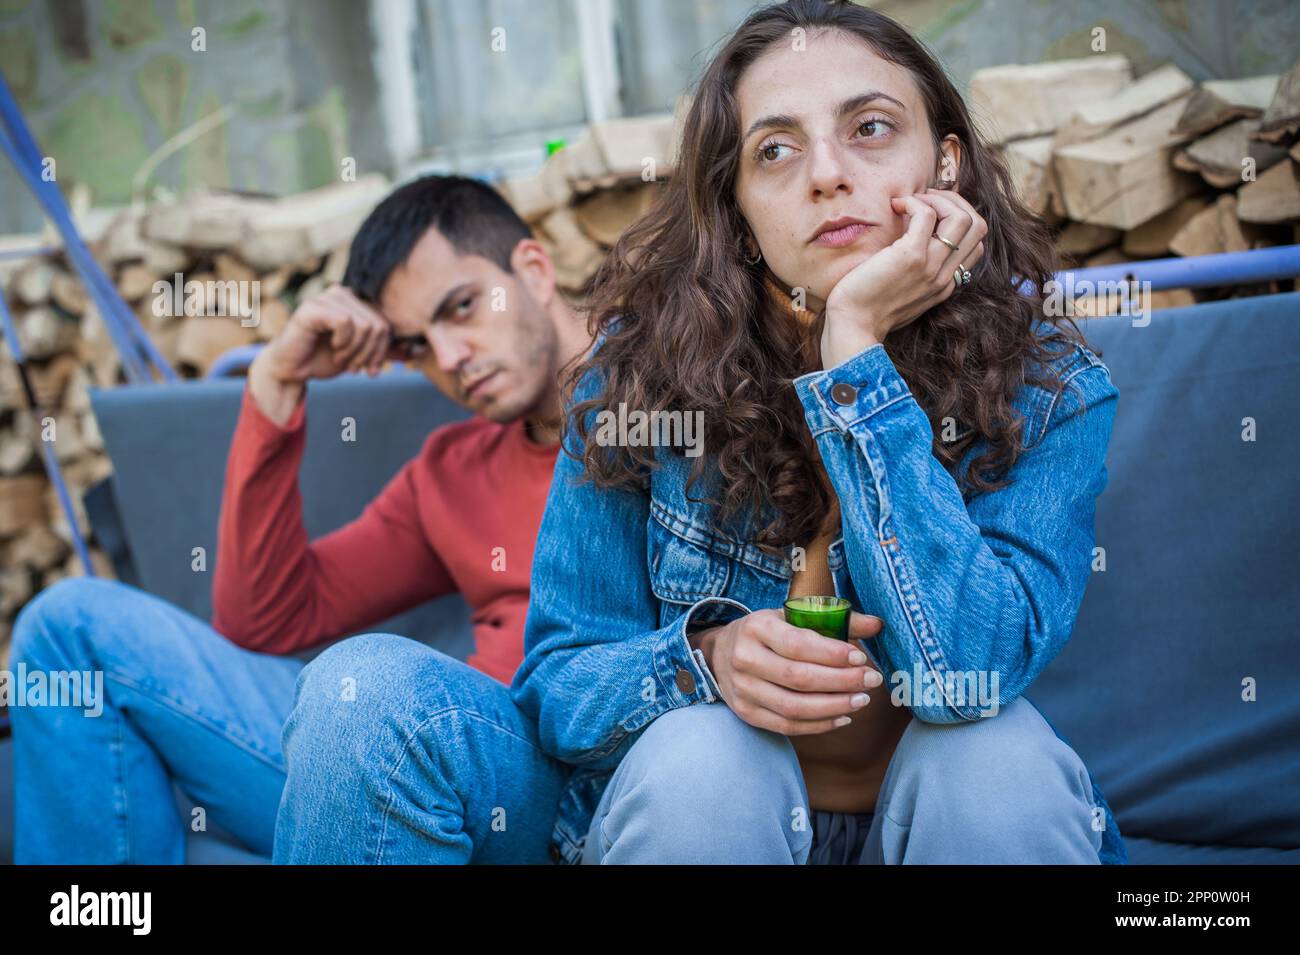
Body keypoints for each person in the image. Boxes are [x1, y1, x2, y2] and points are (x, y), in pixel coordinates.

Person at [512, 0, 1128, 864]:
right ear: (736, 210)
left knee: (997, 763)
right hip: (720, 821)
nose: (827, 174)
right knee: (701, 757)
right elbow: (558, 692)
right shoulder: (639, 380)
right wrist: (709, 658)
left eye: (870, 128)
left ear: (945, 162)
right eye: (775, 150)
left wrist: (855, 353)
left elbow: (960, 675)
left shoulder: (1050, 390)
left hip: (941, 823)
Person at [9, 175, 589, 864]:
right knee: (68, 627)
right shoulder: (451, 471)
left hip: (554, 784)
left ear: (534, 268)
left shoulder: (667, 398)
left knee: (365, 691)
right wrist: (275, 387)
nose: (451, 358)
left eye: (462, 308)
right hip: (415, 758)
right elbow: (269, 617)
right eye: (415, 347)